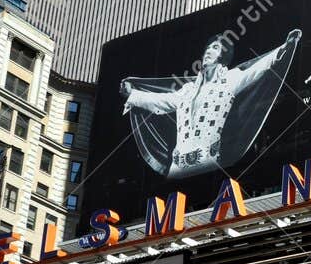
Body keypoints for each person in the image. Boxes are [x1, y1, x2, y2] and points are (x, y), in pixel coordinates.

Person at [121, 30, 301, 179]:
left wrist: (284, 48)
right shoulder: (187, 90)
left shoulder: (231, 79)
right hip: (177, 167)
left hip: (209, 162)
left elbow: (257, 68)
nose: (208, 51)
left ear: (223, 55)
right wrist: (133, 94)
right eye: (207, 47)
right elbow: (161, 101)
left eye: (214, 47)